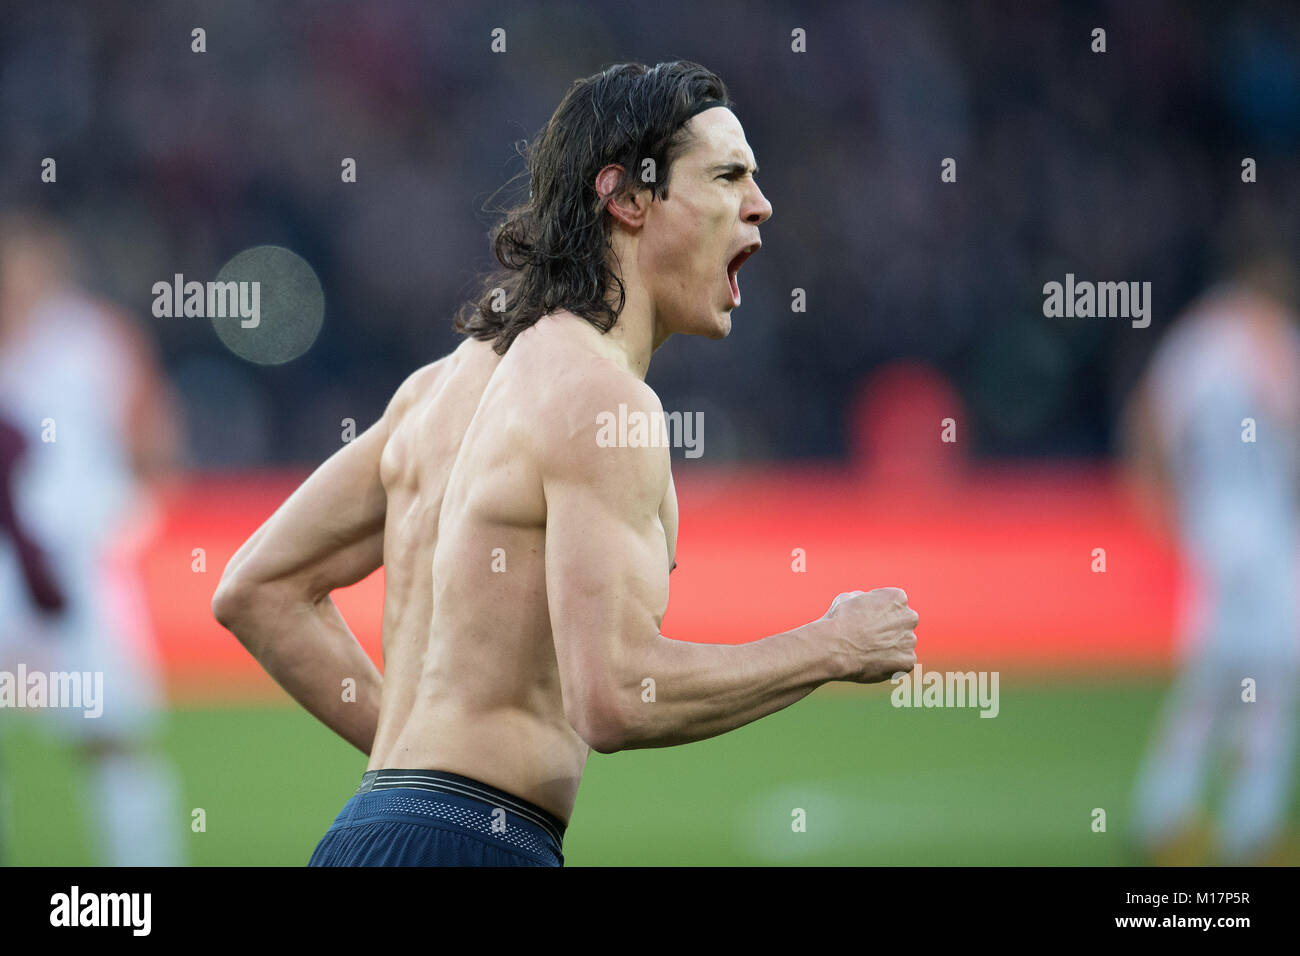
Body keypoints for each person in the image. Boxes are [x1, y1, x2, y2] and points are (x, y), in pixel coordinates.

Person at [214, 61, 918, 867]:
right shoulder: (602, 402)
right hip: (474, 847)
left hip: (366, 836)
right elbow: (616, 696)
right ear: (625, 198)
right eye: (727, 176)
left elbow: (256, 589)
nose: (760, 204)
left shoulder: (436, 392)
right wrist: (832, 645)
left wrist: (418, 772)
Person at [0, 211, 184, 865]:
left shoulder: (90, 339)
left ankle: (142, 873)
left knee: (112, 732)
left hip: (77, 561)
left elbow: (150, 425)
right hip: (3, 567)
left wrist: (136, 505)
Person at [1125, 249, 1300, 865]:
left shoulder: (1196, 342)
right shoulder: (1272, 339)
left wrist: (1155, 491)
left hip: (1214, 526)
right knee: (1272, 682)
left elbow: (1151, 416)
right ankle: (1247, 828)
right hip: (1267, 532)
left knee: (1217, 681)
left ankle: (1164, 814)